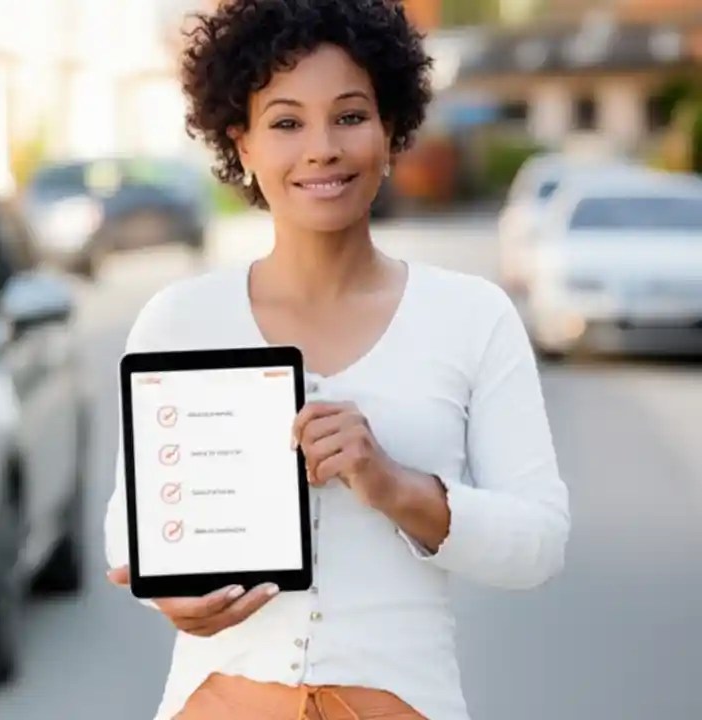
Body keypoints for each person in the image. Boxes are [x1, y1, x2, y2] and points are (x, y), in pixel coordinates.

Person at [102, 1, 572, 718]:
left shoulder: (472, 317)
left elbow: (539, 543)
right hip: (217, 701)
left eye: (350, 116)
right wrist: (165, 588)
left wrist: (394, 487)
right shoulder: (178, 319)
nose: (321, 147)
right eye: (286, 122)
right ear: (244, 143)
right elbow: (129, 520)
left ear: (390, 132)